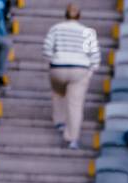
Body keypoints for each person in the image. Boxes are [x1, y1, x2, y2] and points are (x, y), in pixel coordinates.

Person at [42, 3, 100, 150]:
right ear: (79, 15)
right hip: (79, 69)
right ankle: (72, 138)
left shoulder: (56, 28)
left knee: (58, 92)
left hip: (58, 67)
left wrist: (52, 63)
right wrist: (90, 72)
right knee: (75, 104)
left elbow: (47, 50)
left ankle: (59, 120)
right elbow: (95, 57)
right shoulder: (86, 31)